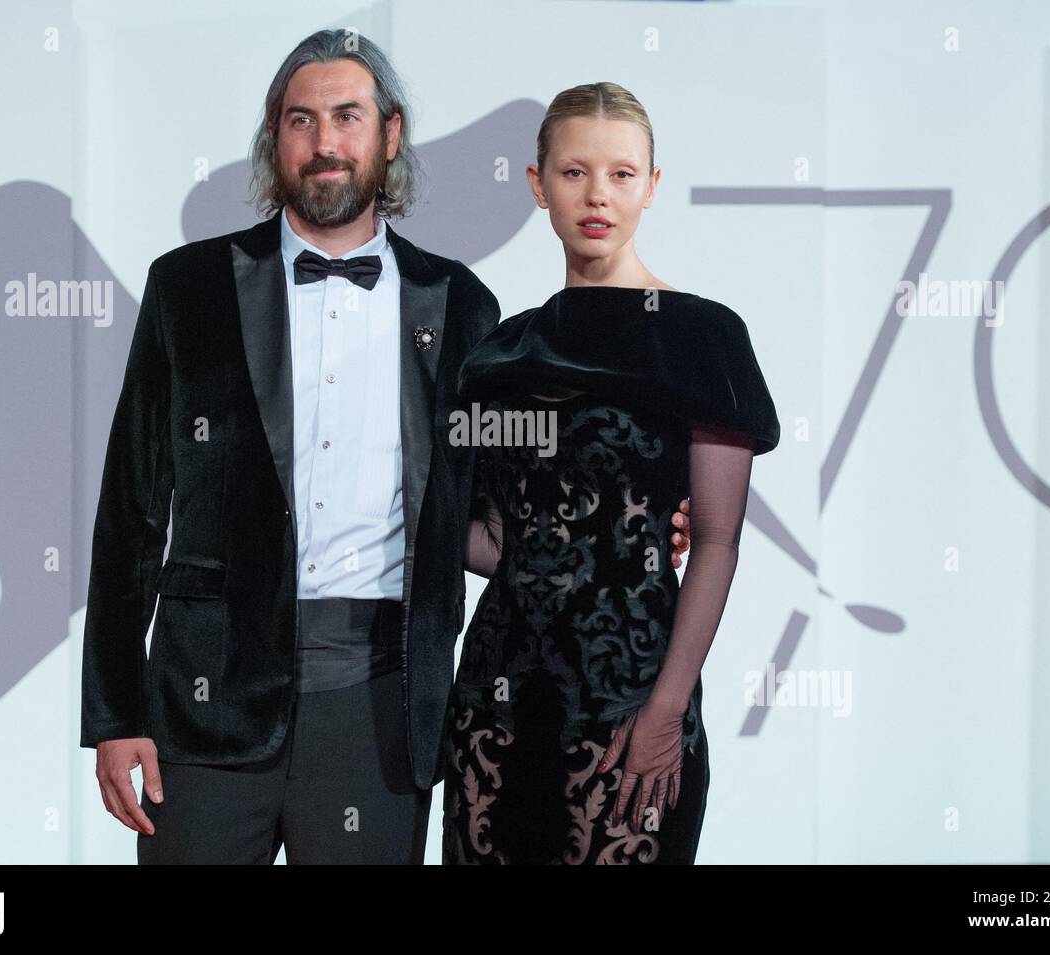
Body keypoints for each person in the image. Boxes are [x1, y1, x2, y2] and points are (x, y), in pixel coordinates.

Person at [80, 33, 693, 864]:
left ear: (389, 136)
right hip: (206, 704)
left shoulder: (465, 307)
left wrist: (635, 521)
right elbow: (131, 507)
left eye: (347, 117)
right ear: (274, 136)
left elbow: (495, 511)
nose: (325, 143)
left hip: (382, 707)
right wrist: (117, 717)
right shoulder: (187, 289)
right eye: (301, 120)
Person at [442, 82, 780, 864]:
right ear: (537, 185)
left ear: (652, 187)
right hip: (495, 706)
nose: (598, 195)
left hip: (633, 706)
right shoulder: (499, 353)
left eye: (622, 174)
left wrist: (666, 710)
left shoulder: (703, 338)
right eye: (573, 172)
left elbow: (720, 541)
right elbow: (494, 538)